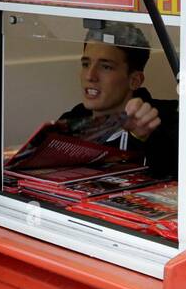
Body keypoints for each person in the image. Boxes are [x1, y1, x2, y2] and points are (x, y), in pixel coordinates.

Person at [57, 22, 178, 179]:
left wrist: (144, 138)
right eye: (86, 64)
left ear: (135, 80)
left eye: (106, 67)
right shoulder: (72, 120)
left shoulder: (168, 122)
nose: (90, 76)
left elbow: (176, 182)